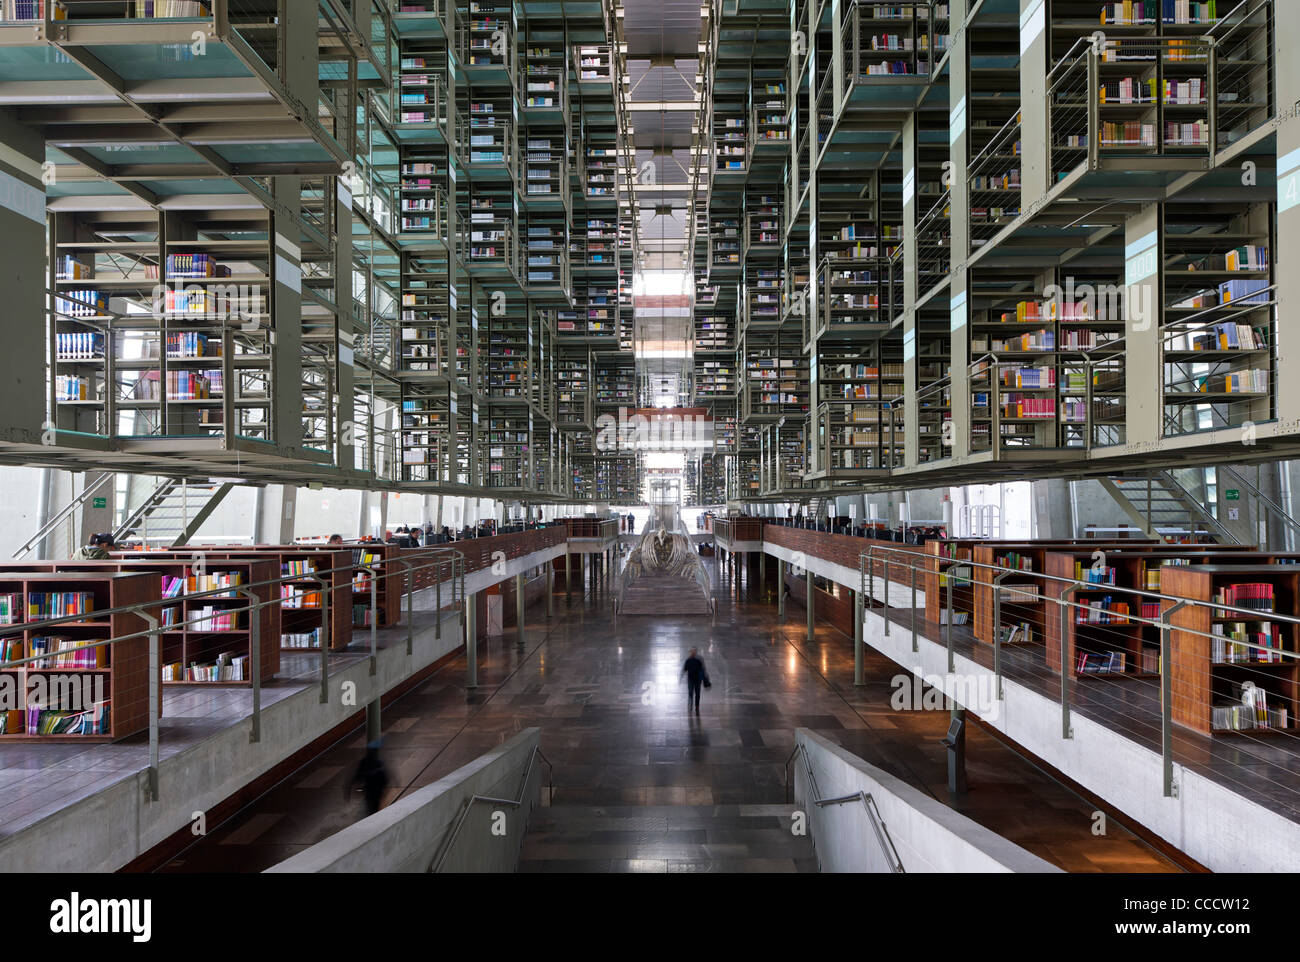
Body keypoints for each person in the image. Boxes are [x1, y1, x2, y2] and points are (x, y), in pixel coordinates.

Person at [349, 742, 389, 816]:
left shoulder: (367, 761)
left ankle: (372, 815)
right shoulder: (378, 763)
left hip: (371, 789)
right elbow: (384, 778)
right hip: (374, 790)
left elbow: (358, 774)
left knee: (371, 805)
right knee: (373, 805)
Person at [681, 647, 710, 714]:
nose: (692, 653)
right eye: (691, 652)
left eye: (693, 651)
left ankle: (697, 706)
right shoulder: (688, 660)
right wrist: (681, 675)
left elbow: (703, 669)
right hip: (690, 680)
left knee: (697, 694)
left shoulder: (698, 660)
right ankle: (690, 705)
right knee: (690, 693)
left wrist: (704, 677)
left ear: (695, 652)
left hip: (697, 680)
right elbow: (685, 669)